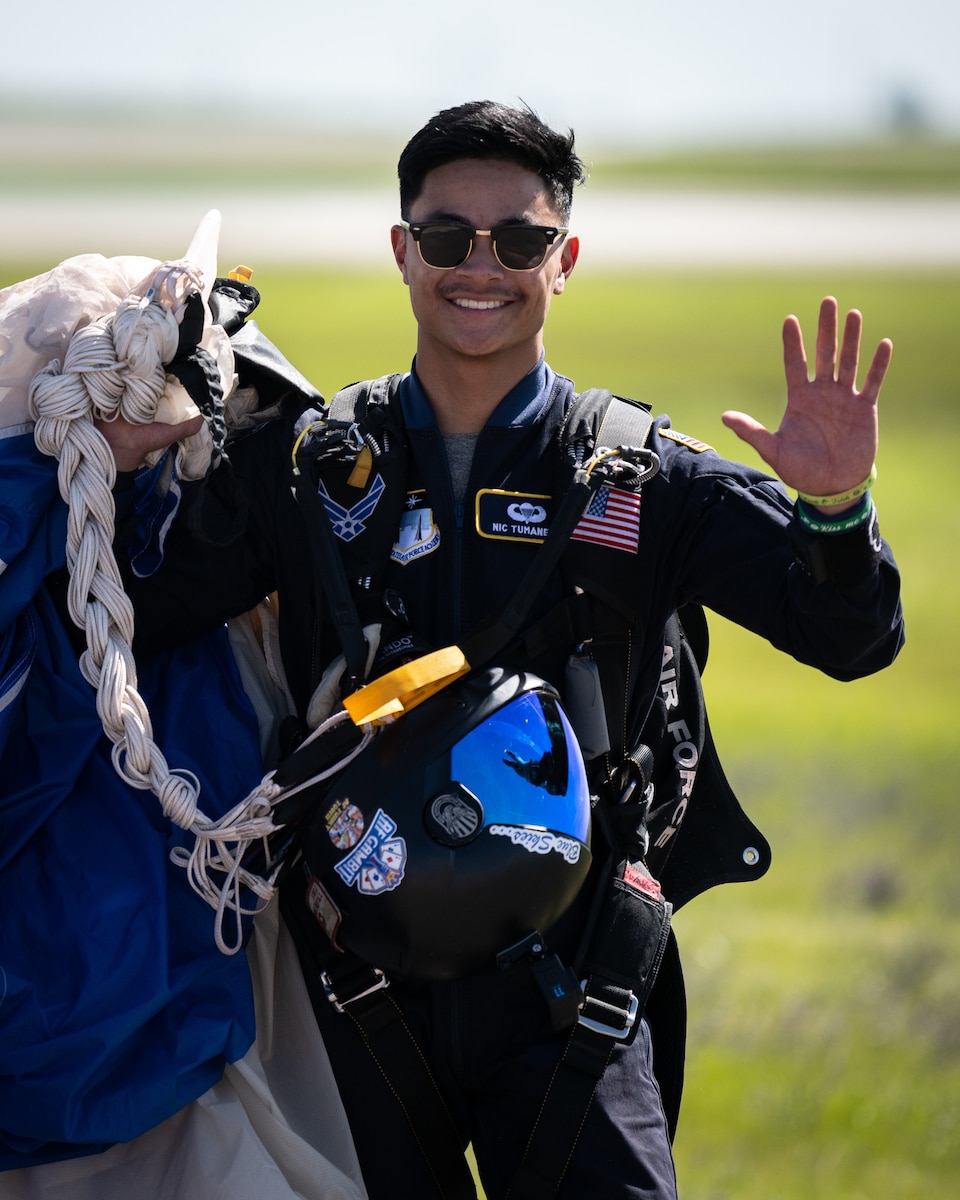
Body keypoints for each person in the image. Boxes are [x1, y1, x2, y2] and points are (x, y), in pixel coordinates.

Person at [97, 100, 904, 1200]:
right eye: (446, 239)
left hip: (573, 987)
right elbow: (129, 618)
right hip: (354, 980)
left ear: (564, 259)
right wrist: (125, 469)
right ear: (401, 252)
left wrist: (834, 509)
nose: (483, 266)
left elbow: (850, 638)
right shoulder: (306, 465)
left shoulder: (642, 480)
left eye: (519, 241)